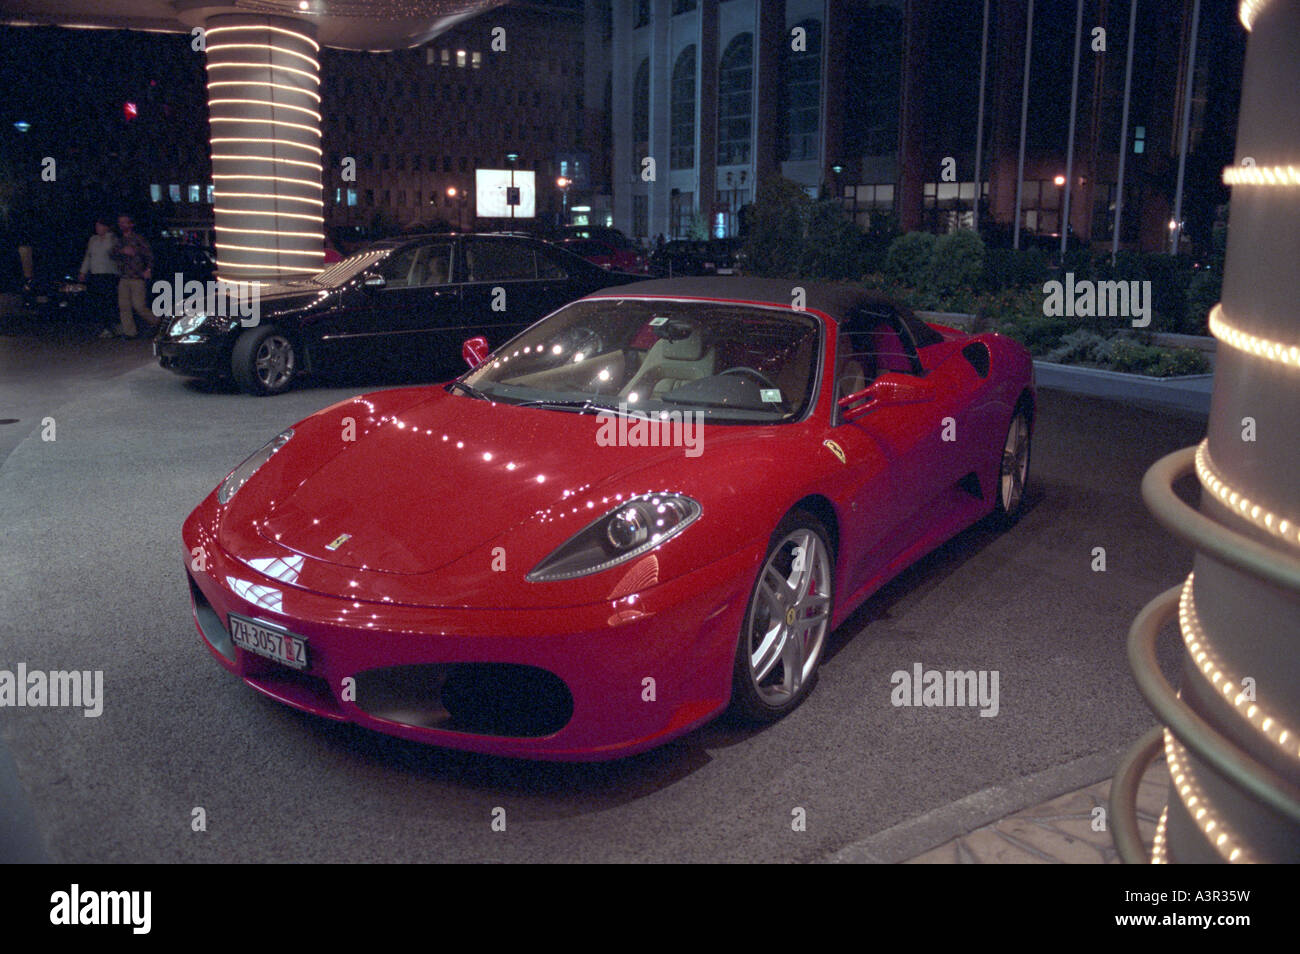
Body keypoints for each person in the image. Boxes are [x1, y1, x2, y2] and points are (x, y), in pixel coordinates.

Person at [110, 213, 154, 338]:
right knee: (124, 306)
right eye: (120, 222)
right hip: (124, 276)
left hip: (136, 276)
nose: (122, 225)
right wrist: (121, 251)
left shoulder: (138, 239)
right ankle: (130, 332)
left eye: (125, 222)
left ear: (131, 224)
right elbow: (112, 253)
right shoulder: (120, 241)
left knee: (139, 305)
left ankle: (158, 323)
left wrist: (148, 269)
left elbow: (149, 254)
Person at [78, 217, 121, 338]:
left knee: (109, 301)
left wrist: (108, 235)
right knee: (99, 301)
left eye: (100, 226)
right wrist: (83, 271)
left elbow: (110, 250)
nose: (97, 229)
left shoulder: (112, 238)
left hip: (109, 273)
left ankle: (112, 326)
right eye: (96, 226)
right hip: (96, 273)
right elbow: (89, 255)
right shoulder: (93, 239)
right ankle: (103, 326)